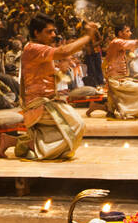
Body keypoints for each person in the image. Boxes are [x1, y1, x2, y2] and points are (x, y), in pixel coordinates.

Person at [5, 14, 96, 161]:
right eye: (49, 31)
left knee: (62, 132)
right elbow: (65, 51)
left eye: (54, 31)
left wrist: (61, 72)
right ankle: (29, 145)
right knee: (76, 125)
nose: (54, 35)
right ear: (36, 32)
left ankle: (13, 142)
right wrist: (87, 36)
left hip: (46, 101)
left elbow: (43, 77)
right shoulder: (34, 48)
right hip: (39, 103)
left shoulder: (37, 49)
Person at [103, 23, 138, 120]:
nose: (130, 33)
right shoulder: (117, 42)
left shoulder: (118, 43)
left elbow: (122, 58)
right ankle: (125, 111)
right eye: (127, 31)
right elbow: (137, 43)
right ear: (120, 33)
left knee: (114, 104)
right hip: (115, 80)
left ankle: (114, 110)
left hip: (119, 78)